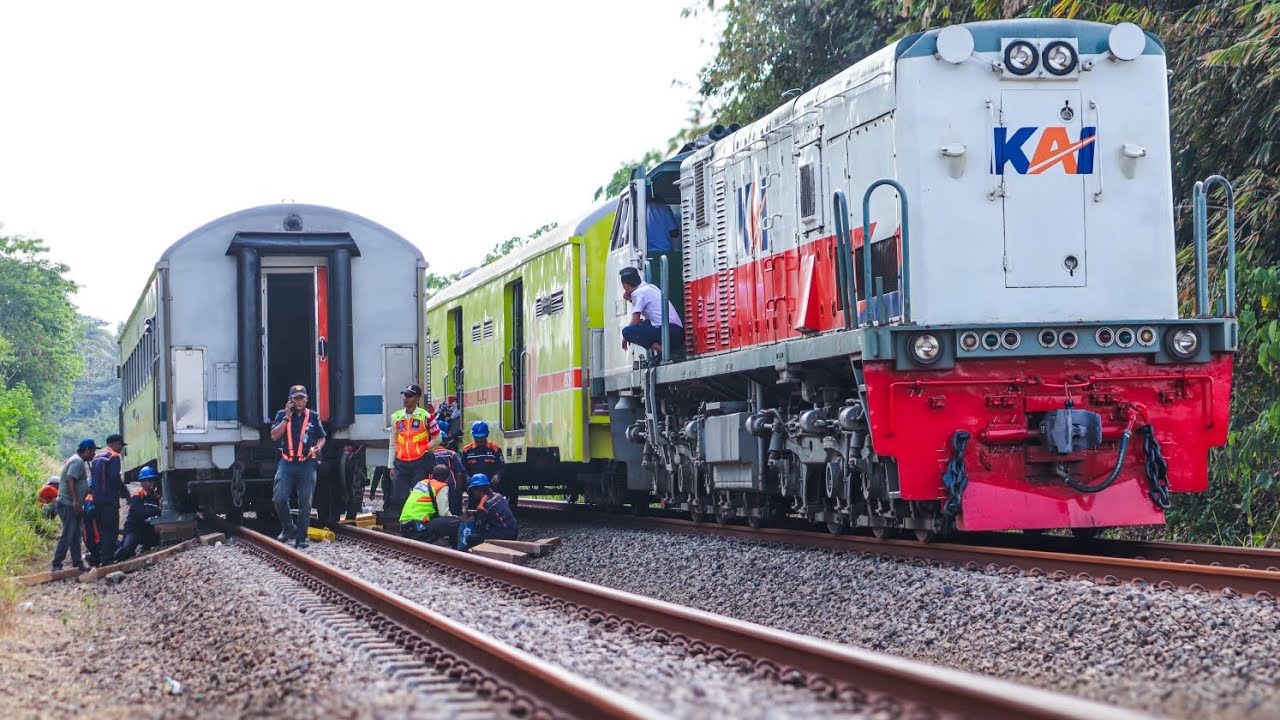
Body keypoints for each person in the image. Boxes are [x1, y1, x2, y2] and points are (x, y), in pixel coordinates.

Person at [270, 384, 327, 549]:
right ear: (290, 400)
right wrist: (287, 418)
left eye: (302, 398)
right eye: (296, 398)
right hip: (287, 462)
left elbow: (322, 437)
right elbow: (274, 436)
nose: (299, 401)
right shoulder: (282, 415)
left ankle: (301, 538)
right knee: (279, 498)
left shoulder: (313, 416)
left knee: (305, 502)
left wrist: (319, 447)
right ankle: (288, 527)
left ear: (307, 399)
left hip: (307, 463)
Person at [386, 384, 439, 528]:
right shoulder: (396, 417)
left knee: (418, 494)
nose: (405, 399)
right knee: (398, 496)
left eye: (409, 396)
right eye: (404, 395)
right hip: (401, 462)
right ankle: (404, 521)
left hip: (419, 462)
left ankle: (417, 522)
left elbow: (438, 438)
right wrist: (391, 465)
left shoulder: (426, 416)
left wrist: (426, 449)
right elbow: (393, 443)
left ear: (417, 398)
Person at [619, 266, 684, 362]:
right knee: (646, 323)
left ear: (626, 286)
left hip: (669, 332)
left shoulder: (638, 293)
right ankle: (664, 352)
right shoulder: (649, 287)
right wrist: (630, 299)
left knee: (628, 331)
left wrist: (625, 337)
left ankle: (666, 353)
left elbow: (635, 320)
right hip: (677, 332)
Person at [52, 439, 97, 571]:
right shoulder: (77, 461)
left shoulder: (78, 460)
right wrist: (75, 501)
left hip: (71, 504)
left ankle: (78, 564)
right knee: (68, 534)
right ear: (87, 450)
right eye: (93, 451)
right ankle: (56, 564)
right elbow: (70, 479)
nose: (94, 454)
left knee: (76, 535)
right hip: (68, 504)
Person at [89, 434, 129, 566]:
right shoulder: (114, 456)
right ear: (115, 443)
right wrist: (124, 492)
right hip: (109, 500)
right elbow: (114, 477)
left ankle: (101, 558)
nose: (122, 449)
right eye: (121, 445)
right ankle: (108, 560)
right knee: (111, 530)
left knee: (101, 530)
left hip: (97, 500)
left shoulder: (97, 457)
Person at [398, 465, 460, 546]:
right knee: (455, 522)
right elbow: (443, 513)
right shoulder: (441, 487)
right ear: (447, 478)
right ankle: (455, 547)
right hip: (418, 528)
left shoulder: (422, 483)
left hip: (405, 527)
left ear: (431, 475)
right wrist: (454, 517)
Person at [114, 467, 162, 562]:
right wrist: (158, 509)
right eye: (150, 480)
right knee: (127, 549)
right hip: (134, 530)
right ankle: (113, 557)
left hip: (147, 529)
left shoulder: (157, 497)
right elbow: (141, 514)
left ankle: (146, 546)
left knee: (159, 541)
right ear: (142, 482)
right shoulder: (137, 497)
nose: (153, 483)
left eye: (154, 480)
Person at [460, 474, 518, 549]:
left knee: (471, 538)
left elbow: (480, 526)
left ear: (478, 490)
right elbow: (492, 512)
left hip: (505, 536)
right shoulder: (498, 496)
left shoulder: (483, 506)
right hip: (514, 531)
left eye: (473, 490)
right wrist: (475, 513)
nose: (473, 493)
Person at [461, 421, 506, 495]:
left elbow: (502, 466)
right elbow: (463, 468)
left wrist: (497, 475)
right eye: (477, 437)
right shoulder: (467, 450)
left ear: (487, 434)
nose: (479, 440)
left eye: (482, 437)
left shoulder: (495, 449)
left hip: (490, 487)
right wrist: (467, 478)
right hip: (473, 488)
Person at [430, 439, 467, 516]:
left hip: (434, 489)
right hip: (452, 488)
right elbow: (459, 473)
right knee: (454, 514)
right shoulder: (451, 454)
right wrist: (458, 490)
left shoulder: (429, 455)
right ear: (447, 445)